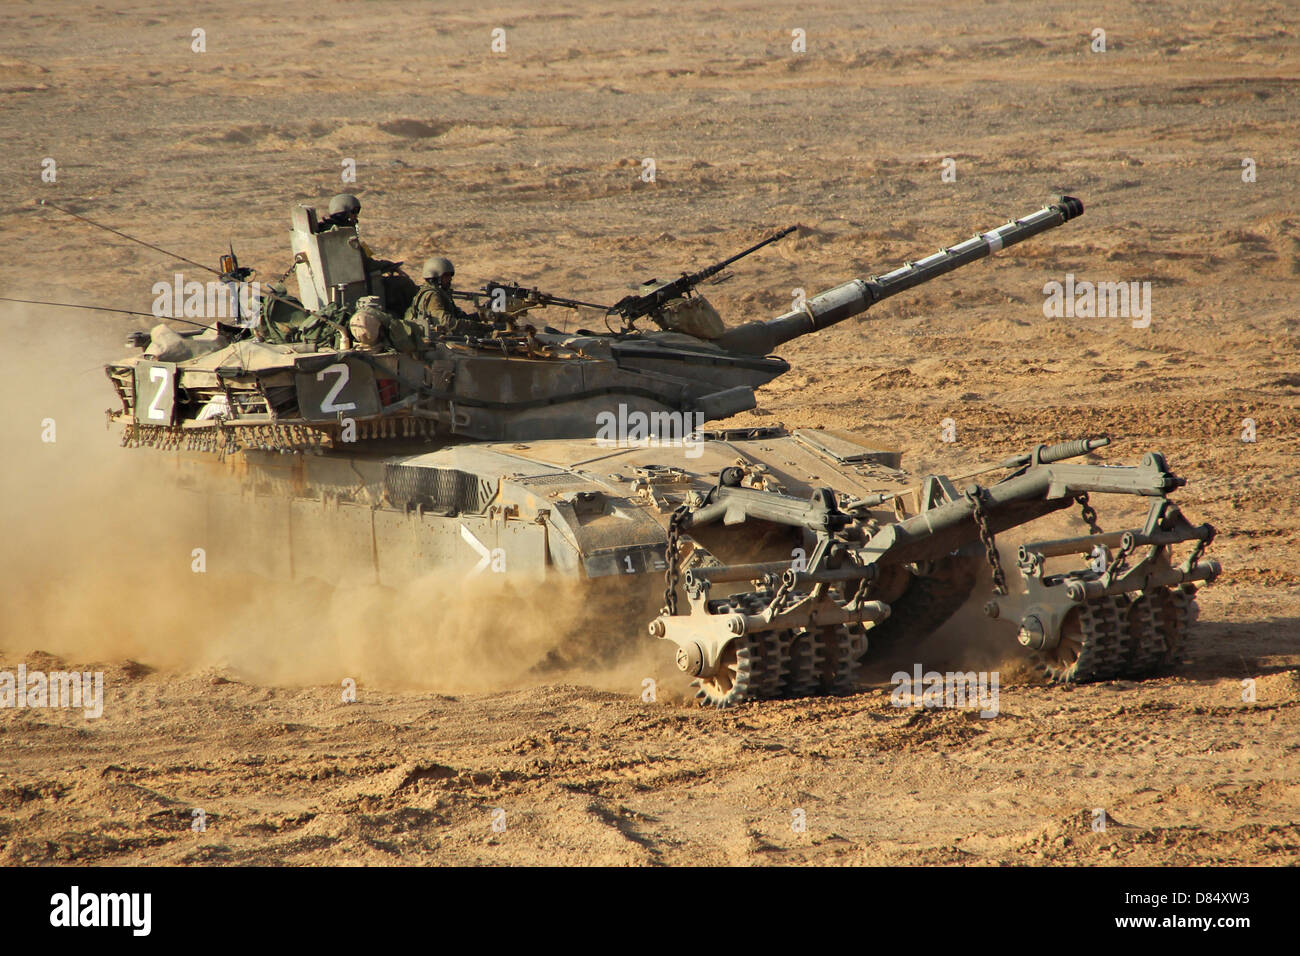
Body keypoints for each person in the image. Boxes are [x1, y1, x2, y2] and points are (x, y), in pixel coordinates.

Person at [405, 256, 488, 338]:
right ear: (435, 278)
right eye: (446, 276)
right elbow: (447, 322)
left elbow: (458, 317)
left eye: (450, 276)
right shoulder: (432, 295)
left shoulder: (441, 293)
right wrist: (484, 328)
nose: (450, 279)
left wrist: (482, 315)